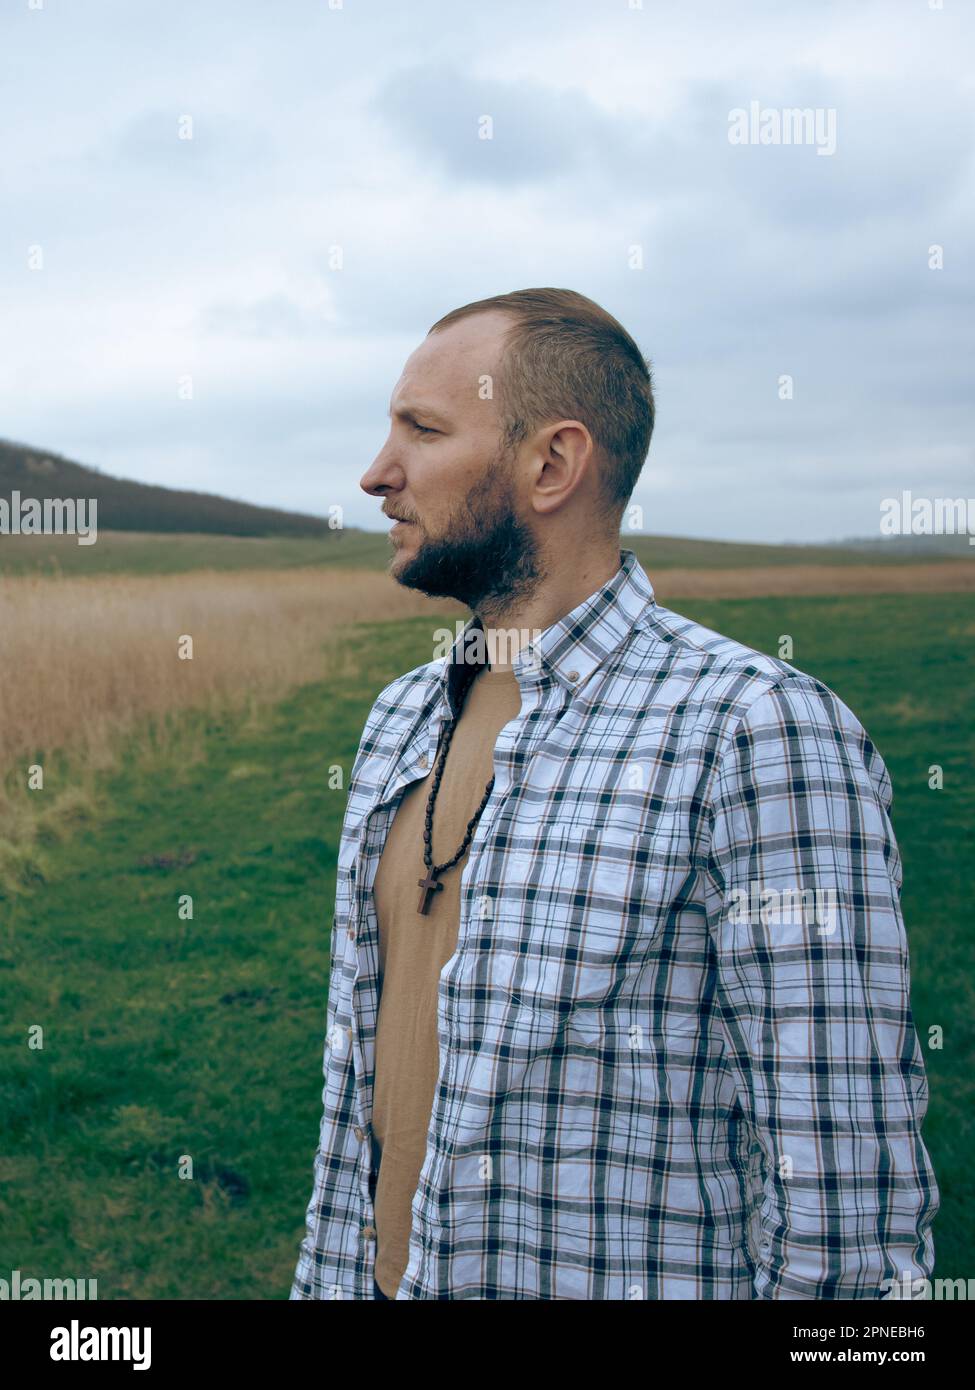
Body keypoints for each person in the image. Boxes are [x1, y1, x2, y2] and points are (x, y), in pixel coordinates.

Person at [290, 288, 939, 1300]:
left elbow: (843, 1201)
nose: (377, 474)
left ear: (552, 464)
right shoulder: (398, 721)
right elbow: (359, 1119)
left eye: (421, 430)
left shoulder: (754, 734)